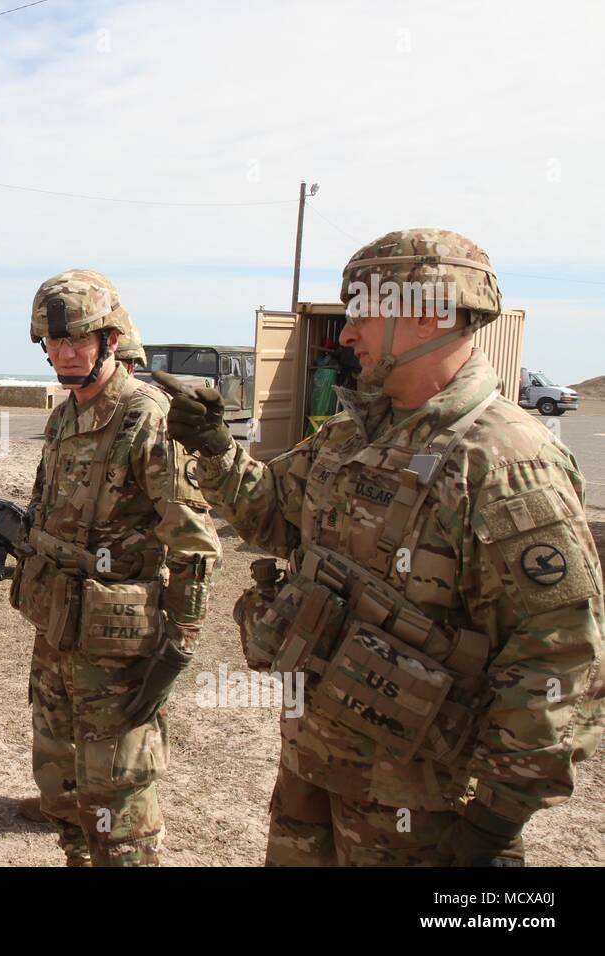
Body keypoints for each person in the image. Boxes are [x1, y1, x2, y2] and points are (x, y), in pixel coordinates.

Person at [156, 228, 604, 866]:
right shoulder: (350, 434)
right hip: (313, 770)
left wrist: (494, 822)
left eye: (362, 311)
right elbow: (275, 517)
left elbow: (562, 655)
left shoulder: (505, 460)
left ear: (428, 314)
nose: (346, 334)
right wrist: (213, 449)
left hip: (424, 813)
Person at [11, 270, 221, 865]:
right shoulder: (64, 417)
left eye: (79, 338)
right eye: (54, 341)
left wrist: (178, 646)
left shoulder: (146, 417)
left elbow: (195, 543)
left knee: (118, 796)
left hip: (119, 648)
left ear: (111, 339)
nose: (65, 350)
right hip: (58, 632)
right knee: (61, 782)